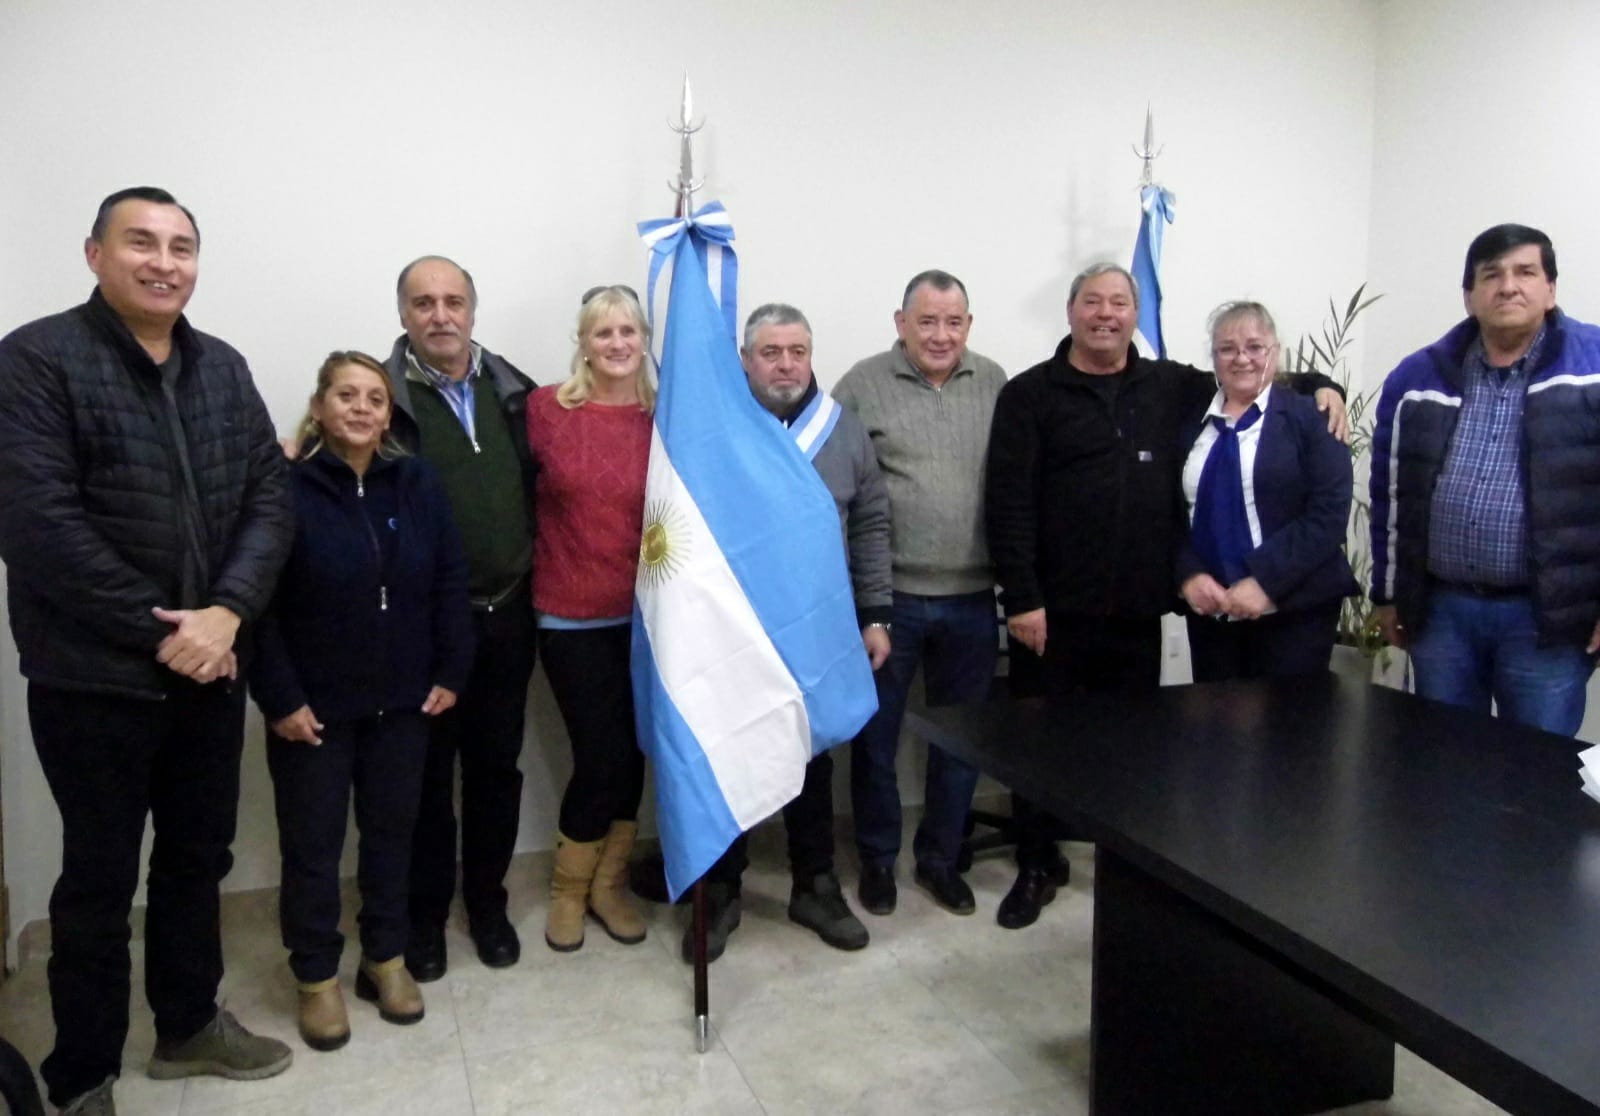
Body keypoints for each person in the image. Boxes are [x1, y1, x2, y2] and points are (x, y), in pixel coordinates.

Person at [0, 186, 295, 1115]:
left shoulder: (224, 367)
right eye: (142, 242)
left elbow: (269, 500)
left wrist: (228, 614)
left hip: (212, 669)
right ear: (95, 254)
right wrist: (169, 630)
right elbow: (37, 524)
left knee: (196, 860)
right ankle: (82, 1072)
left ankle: (187, 1026)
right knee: (97, 877)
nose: (164, 261)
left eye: (182, 246)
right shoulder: (34, 361)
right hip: (93, 680)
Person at [986, 263, 1346, 930]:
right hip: (1054, 611)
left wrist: (1323, 386)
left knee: (1133, 752)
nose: (1106, 314)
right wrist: (1023, 597)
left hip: (1138, 611)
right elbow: (1007, 503)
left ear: (1134, 314)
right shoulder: (1029, 395)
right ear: (1070, 313)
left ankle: (1126, 867)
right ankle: (1037, 864)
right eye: (1092, 302)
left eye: (1119, 303)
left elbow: (1249, 377)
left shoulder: (1170, 386)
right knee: (1039, 744)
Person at [253, 352, 474, 1051]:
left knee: (392, 837)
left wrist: (452, 668)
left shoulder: (417, 482)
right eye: (345, 395)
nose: (360, 408)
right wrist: (280, 697)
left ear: (388, 414)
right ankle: (316, 978)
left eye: (374, 398)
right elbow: (255, 606)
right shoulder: (282, 488)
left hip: (403, 704)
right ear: (319, 407)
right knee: (314, 849)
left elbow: (448, 579)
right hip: (311, 710)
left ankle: (386, 959)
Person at [686, 303, 893, 962]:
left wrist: (876, 613)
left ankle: (815, 883)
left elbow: (870, 526)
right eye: (770, 351)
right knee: (734, 756)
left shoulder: (844, 433)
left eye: (796, 351)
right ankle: (721, 888)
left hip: (818, 628)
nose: (785, 364)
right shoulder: (718, 432)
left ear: (811, 355)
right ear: (744, 359)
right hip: (735, 631)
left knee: (812, 755)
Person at [1369, 224, 1600, 736]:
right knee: (1446, 766)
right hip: (1442, 616)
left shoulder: (1594, 368)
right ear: (1469, 294)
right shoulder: (1417, 376)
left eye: (1525, 272)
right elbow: (1389, 492)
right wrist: (1386, 596)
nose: (1508, 287)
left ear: (1551, 289)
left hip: (1546, 621)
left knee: (1536, 774)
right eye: (1490, 275)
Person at [834, 269, 1006, 919]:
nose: (941, 334)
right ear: (900, 322)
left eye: (954, 321)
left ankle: (941, 858)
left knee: (959, 741)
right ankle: (878, 861)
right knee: (875, 741)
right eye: (926, 320)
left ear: (969, 325)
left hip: (971, 597)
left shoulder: (994, 382)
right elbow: (832, 483)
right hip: (888, 601)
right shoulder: (861, 385)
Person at [384, 256, 538, 979]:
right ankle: (424, 918)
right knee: (423, 778)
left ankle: (487, 905)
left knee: (494, 772)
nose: (440, 315)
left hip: (507, 616)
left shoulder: (515, 392)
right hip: (423, 630)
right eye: (424, 303)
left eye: (453, 301)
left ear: (473, 310)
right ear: (404, 315)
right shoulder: (382, 398)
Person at [530, 285, 654, 952]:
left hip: (645, 619)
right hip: (570, 615)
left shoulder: (664, 418)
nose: (616, 344)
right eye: (602, 333)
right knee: (599, 757)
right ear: (583, 342)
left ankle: (609, 886)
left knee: (633, 758)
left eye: (627, 332)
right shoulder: (545, 410)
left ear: (643, 340)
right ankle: (567, 892)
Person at [1177, 302, 1357, 680]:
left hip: (1295, 610)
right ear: (1213, 357)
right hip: (1214, 613)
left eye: (1255, 347)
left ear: (1275, 353)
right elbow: (1170, 510)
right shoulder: (1191, 421)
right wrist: (1188, 574)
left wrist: (1266, 582)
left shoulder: (1312, 417)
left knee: (1288, 733)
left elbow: (1328, 514)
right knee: (1215, 732)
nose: (1242, 358)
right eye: (1227, 348)